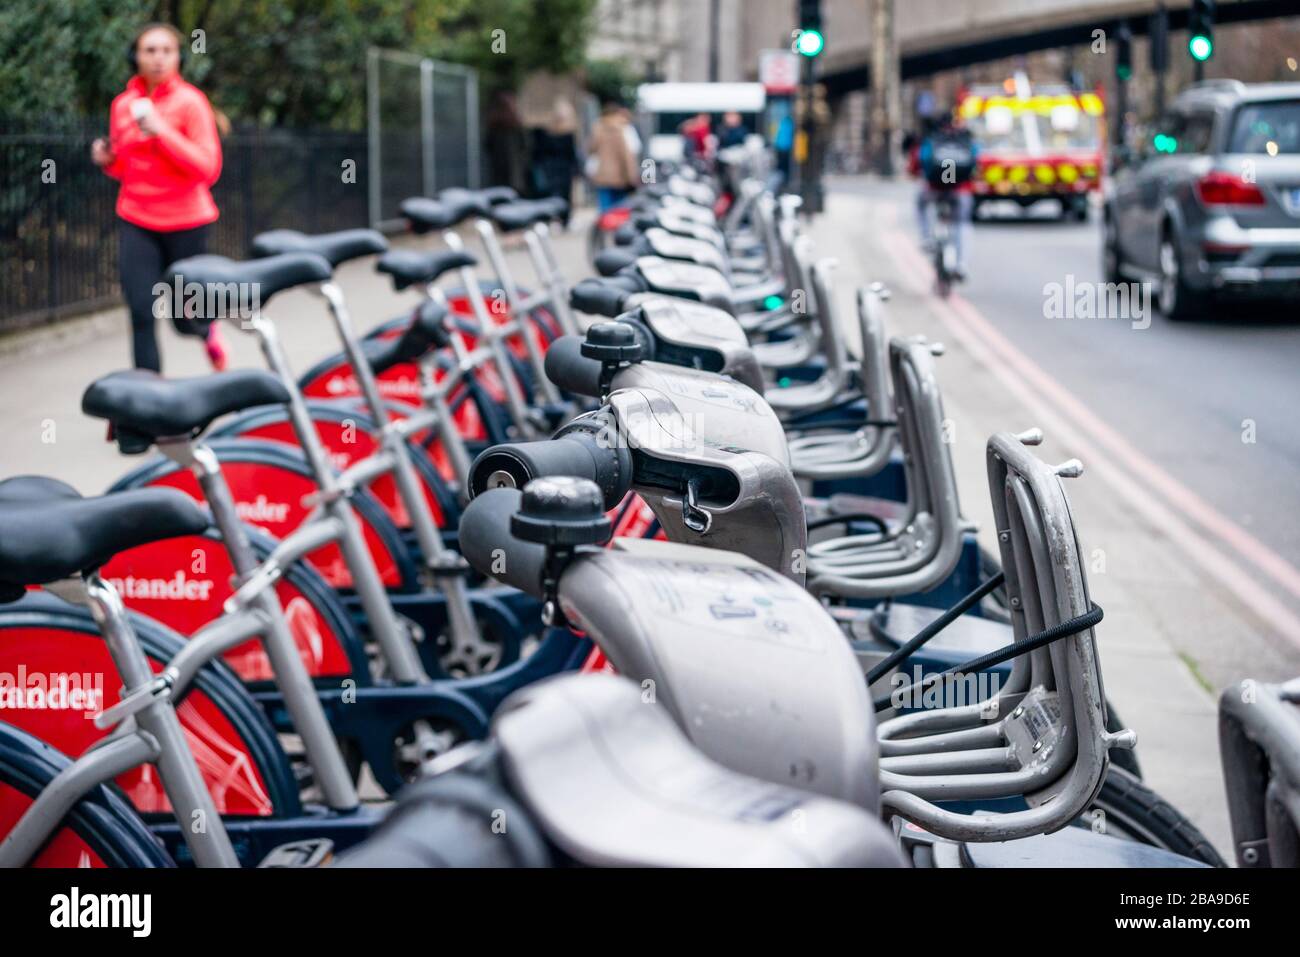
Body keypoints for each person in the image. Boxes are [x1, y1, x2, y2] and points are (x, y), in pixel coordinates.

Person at [91, 22, 225, 372]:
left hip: (187, 222)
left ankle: (207, 331)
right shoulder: (122, 105)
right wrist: (108, 161)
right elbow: (125, 165)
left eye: (166, 50)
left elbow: (208, 169)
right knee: (140, 312)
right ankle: (149, 402)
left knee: (185, 319)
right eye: (149, 50)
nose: (158, 58)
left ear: (179, 56)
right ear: (136, 57)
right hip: (137, 219)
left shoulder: (191, 102)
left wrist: (162, 131)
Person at [915, 112, 978, 280]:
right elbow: (976, 159)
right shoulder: (965, 137)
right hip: (959, 190)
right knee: (962, 223)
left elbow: (922, 159)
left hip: (934, 188)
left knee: (921, 205)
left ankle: (926, 238)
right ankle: (961, 264)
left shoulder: (933, 138)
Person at [586, 100, 639, 212]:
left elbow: (591, 149)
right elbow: (629, 155)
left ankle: (604, 227)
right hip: (621, 175)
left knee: (604, 207)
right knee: (620, 208)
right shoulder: (624, 129)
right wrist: (632, 176)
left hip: (603, 173)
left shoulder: (598, 128)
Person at [485, 91, 528, 195]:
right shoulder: (516, 124)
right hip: (515, 172)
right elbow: (525, 146)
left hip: (498, 170)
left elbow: (487, 146)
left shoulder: (493, 125)